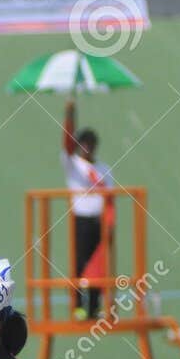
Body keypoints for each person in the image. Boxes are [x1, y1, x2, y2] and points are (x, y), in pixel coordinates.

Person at [63, 99, 115, 321]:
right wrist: (69, 114)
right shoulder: (73, 163)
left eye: (91, 143)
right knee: (80, 262)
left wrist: (110, 222)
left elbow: (110, 198)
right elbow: (66, 143)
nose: (88, 147)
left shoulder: (103, 169)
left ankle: (94, 307)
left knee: (98, 264)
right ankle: (77, 305)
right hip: (81, 220)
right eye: (84, 143)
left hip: (99, 220)